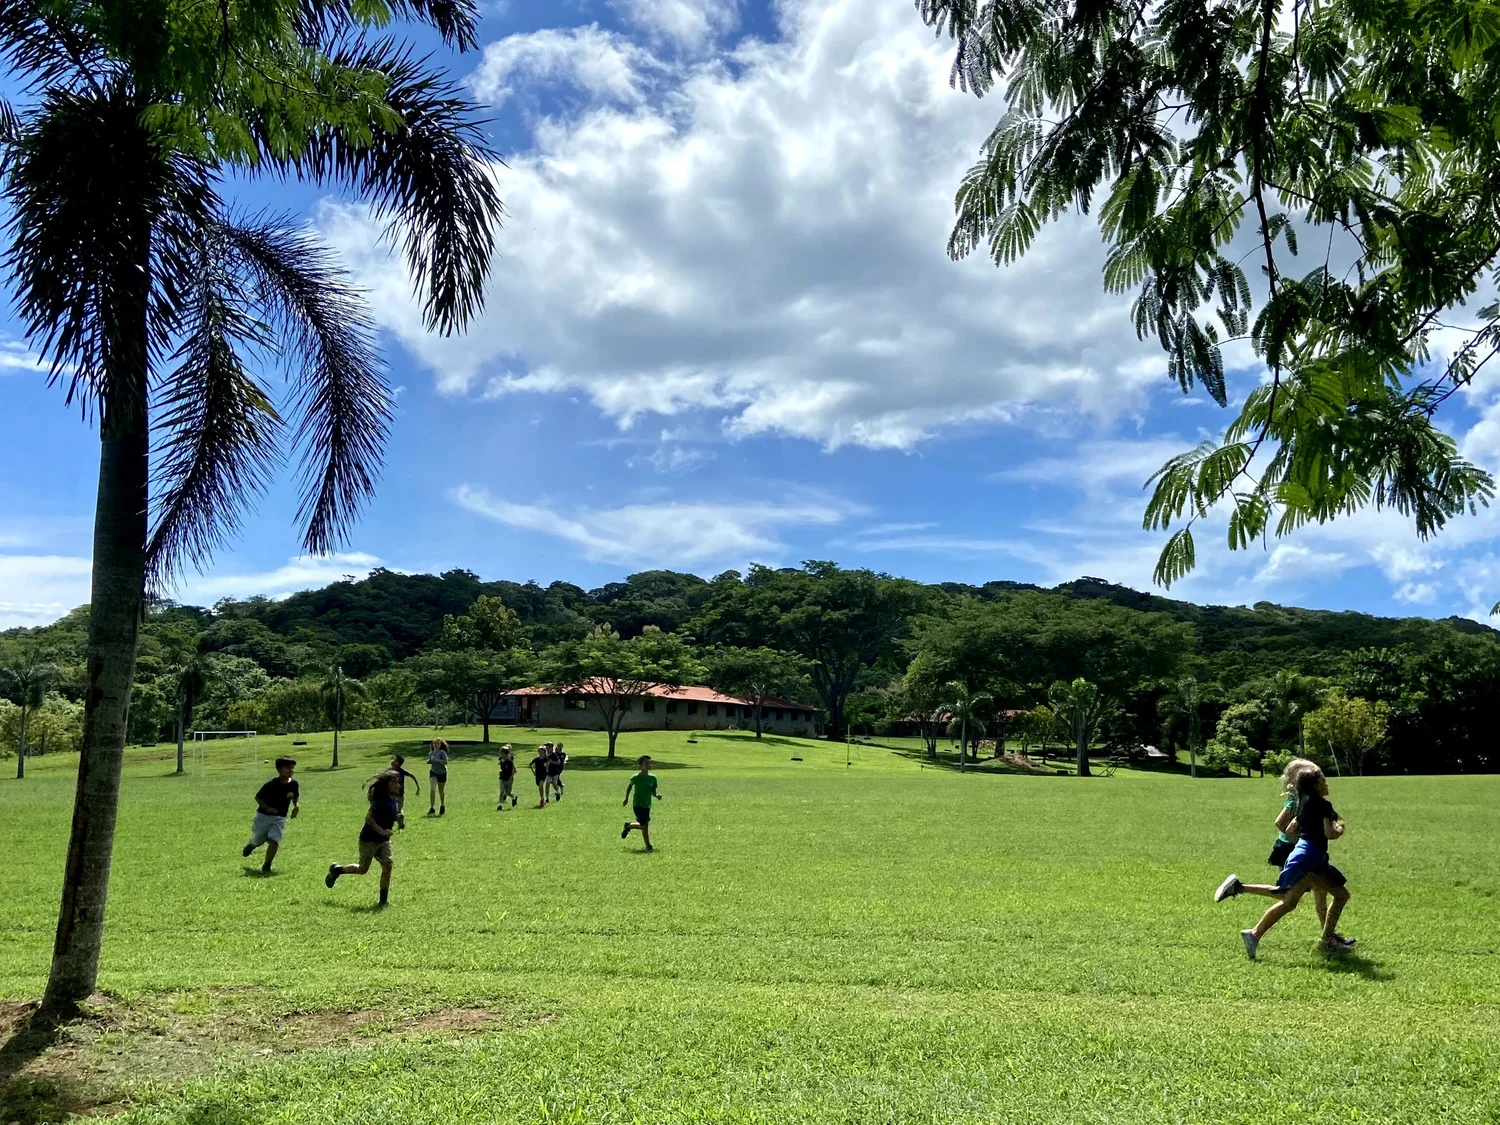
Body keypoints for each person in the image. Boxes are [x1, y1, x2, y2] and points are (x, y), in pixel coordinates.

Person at [1214, 765, 1354, 959]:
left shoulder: (1302, 805)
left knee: (1288, 899)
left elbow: (1288, 829)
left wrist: (1305, 840)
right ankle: (1327, 941)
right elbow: (1330, 834)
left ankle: (1250, 924)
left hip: (1301, 855)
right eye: (1323, 780)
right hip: (1311, 859)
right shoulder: (1324, 806)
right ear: (1315, 786)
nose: (1327, 783)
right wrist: (1340, 829)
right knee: (1341, 895)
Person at [1214, 758, 1329, 930]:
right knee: (1292, 895)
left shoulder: (1310, 801)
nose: (1326, 783)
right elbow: (1280, 822)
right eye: (1321, 779)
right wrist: (1300, 838)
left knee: (1316, 890)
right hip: (1292, 851)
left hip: (1301, 851)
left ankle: (1328, 933)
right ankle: (1239, 888)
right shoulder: (1296, 801)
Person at [326, 771, 399, 906]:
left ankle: (383, 901)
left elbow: (388, 815)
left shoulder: (393, 800)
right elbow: (369, 819)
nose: (398, 785)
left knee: (388, 866)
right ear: (386, 785)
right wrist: (382, 831)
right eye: (394, 783)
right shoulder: (379, 801)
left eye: (398, 783)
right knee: (362, 869)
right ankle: (337, 870)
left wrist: (399, 818)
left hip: (383, 841)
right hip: (369, 839)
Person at [242, 757, 299, 873]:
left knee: (274, 840)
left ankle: (267, 865)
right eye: (288, 768)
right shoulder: (271, 785)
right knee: (259, 839)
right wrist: (268, 809)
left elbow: (295, 797)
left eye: (292, 768)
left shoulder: (293, 784)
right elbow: (258, 798)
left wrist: (296, 807)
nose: (291, 771)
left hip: (280, 817)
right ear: (279, 769)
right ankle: (252, 845)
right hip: (263, 816)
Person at [620, 755, 660, 851]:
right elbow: (629, 787)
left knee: (643, 826)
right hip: (637, 805)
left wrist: (656, 795)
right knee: (645, 825)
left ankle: (628, 826)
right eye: (646, 763)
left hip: (647, 805)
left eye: (650, 763)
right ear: (640, 765)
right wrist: (626, 798)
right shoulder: (636, 777)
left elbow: (653, 791)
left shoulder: (653, 778)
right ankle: (648, 846)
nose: (649, 764)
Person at [388, 755, 420, 825]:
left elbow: (412, 776)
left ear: (398, 763)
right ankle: (397, 822)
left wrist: (417, 787)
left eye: (395, 760)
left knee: (398, 811)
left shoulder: (401, 771)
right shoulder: (389, 771)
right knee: (392, 810)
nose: (393, 761)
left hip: (399, 795)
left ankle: (401, 824)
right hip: (391, 795)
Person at [426, 738, 450, 817]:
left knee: (441, 791)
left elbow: (446, 762)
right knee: (432, 789)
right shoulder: (431, 753)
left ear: (440, 745)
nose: (436, 745)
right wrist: (429, 761)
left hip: (442, 773)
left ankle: (442, 805)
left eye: (437, 743)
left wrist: (437, 760)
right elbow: (430, 760)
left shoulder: (442, 752)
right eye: (434, 743)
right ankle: (432, 808)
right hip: (433, 772)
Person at [497, 743, 517, 810]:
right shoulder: (501, 760)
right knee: (502, 791)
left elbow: (513, 771)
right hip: (502, 778)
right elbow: (502, 768)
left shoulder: (509, 762)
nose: (501, 755)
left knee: (507, 793)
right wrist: (500, 771)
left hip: (509, 779)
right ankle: (500, 805)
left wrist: (510, 777)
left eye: (503, 754)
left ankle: (514, 797)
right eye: (501, 753)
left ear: (506, 754)